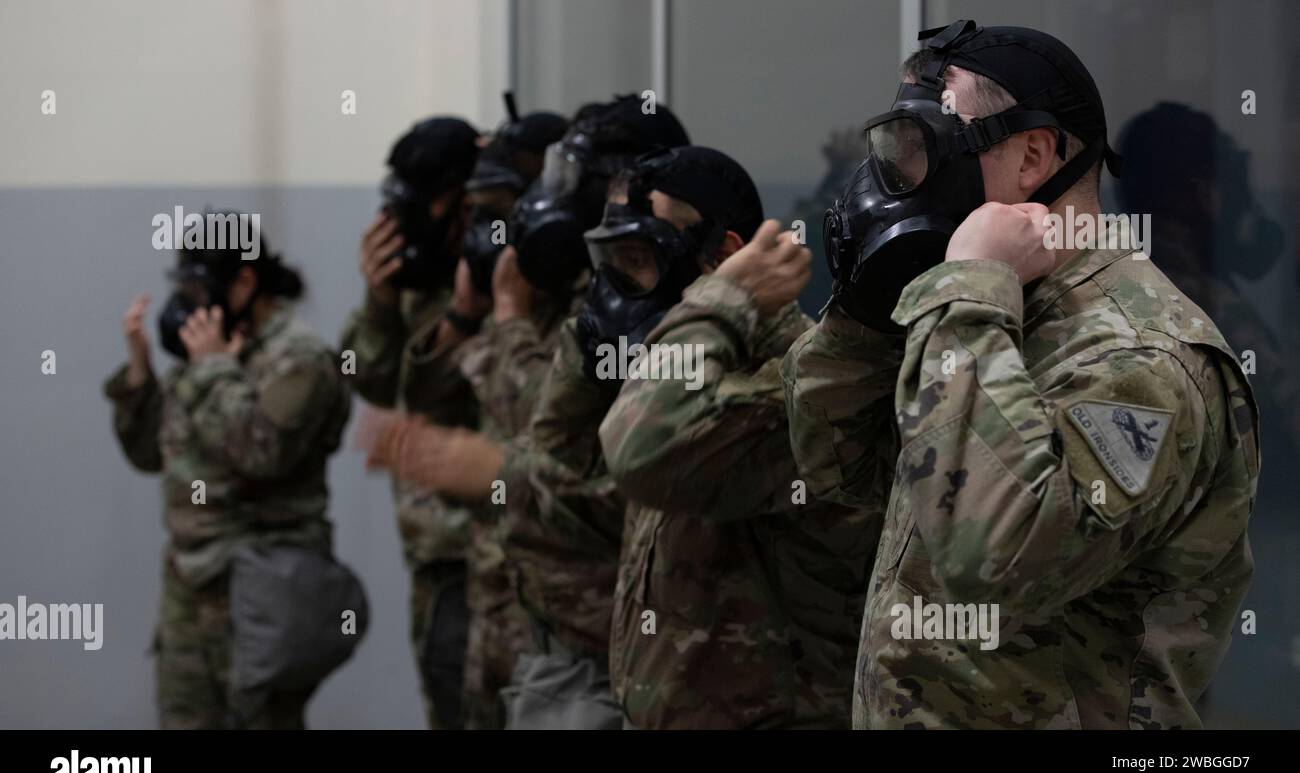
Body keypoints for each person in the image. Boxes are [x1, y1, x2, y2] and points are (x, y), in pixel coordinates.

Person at [781, 20, 1260, 729]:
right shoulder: (986, 307)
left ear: (1033, 155)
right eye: (896, 157)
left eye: (924, 149)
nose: (902, 179)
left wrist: (969, 292)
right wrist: (870, 306)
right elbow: (836, 465)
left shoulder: (1141, 357)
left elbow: (997, 559)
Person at [374, 99, 691, 729]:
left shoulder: (620, 308)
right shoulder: (539, 287)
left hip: (592, 624)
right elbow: (428, 394)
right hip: (509, 590)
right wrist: (469, 316)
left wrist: (510, 324)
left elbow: (552, 434)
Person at [595, 147, 879, 728]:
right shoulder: (688, 363)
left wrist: (728, 298)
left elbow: (640, 447)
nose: (626, 288)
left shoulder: (799, 380)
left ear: (725, 256)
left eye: (640, 259)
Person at [105, 227, 352, 729]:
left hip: (263, 588)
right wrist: (139, 373)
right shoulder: (210, 351)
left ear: (243, 282)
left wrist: (215, 370)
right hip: (190, 586)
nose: (189, 307)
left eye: (199, 291)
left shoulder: (300, 359)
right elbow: (152, 452)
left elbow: (262, 454)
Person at [339, 116, 481, 729]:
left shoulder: (506, 274)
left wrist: (467, 309)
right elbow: (366, 377)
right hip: (433, 548)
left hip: (494, 543)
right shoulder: (415, 275)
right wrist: (378, 299)